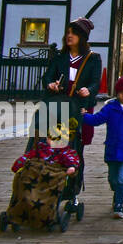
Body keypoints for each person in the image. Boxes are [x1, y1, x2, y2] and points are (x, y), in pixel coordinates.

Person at [38, 18, 104, 191]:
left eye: (73, 33)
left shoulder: (93, 59)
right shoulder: (59, 58)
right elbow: (47, 77)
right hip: (57, 107)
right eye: (67, 32)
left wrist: (88, 90)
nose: (69, 36)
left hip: (78, 108)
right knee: (49, 145)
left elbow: (95, 82)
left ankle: (72, 187)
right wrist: (50, 85)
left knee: (74, 147)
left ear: (82, 37)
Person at [79, 68, 123, 218]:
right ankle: (117, 193)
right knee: (112, 178)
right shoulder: (111, 108)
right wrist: (84, 116)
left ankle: (119, 204)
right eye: (121, 92)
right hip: (113, 148)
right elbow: (97, 119)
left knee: (121, 178)